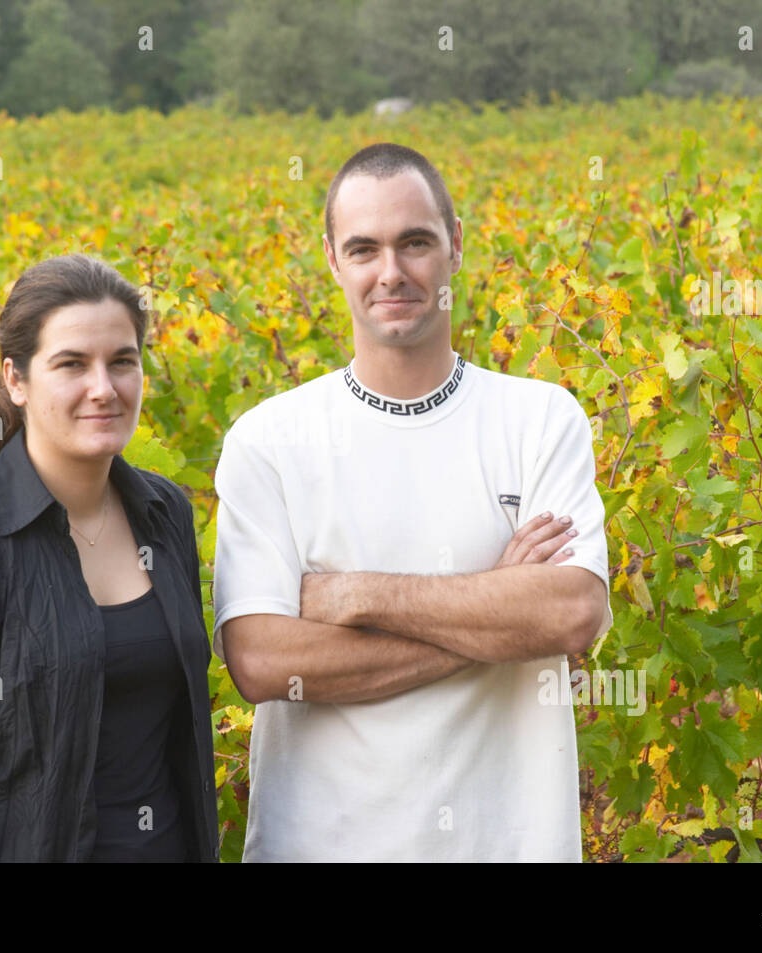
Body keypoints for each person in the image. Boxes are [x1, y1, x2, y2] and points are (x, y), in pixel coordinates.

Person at [212, 143, 613, 862]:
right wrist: (498, 607)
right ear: (332, 259)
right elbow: (263, 662)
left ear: (456, 246)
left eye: (416, 243)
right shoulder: (268, 440)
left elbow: (572, 612)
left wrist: (355, 595)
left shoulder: (542, 419)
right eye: (364, 248)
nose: (391, 272)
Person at [0, 253, 218, 862]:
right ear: (16, 380)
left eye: (122, 361)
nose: (103, 388)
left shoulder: (165, 514)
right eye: (71, 364)